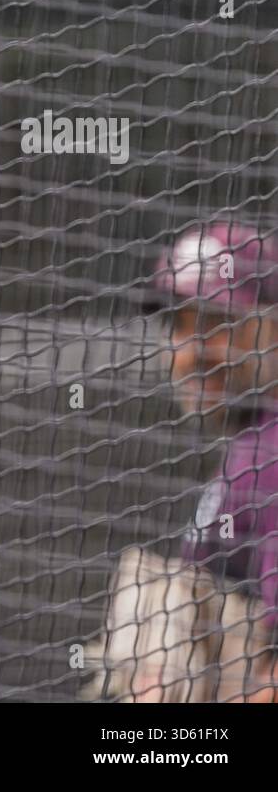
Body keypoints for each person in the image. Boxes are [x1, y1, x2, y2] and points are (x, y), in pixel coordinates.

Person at [87, 221, 278, 702]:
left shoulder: (268, 460)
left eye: (215, 324)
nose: (191, 351)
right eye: (179, 324)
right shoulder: (252, 446)